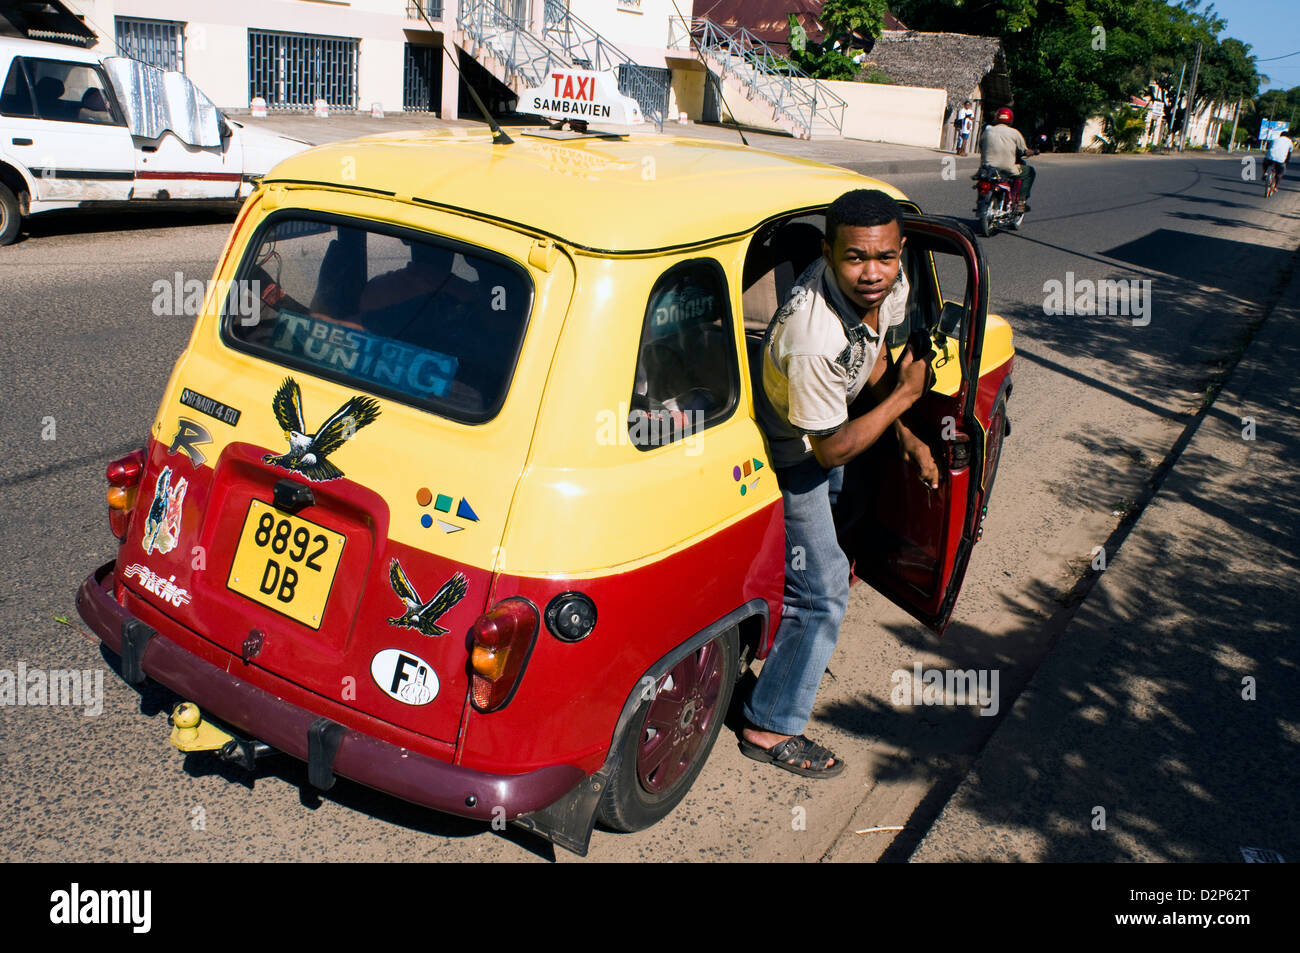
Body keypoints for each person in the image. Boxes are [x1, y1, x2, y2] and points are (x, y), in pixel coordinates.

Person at [743, 189, 938, 777]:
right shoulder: (810, 338)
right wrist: (905, 398)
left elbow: (871, 351)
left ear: (900, 250)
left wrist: (904, 435)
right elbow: (827, 451)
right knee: (824, 590)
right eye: (855, 259)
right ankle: (769, 725)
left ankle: (789, 643)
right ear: (828, 253)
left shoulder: (886, 284)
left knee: (822, 552)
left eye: (883, 257)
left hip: (833, 423)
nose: (871, 274)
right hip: (794, 450)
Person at [980, 106, 1036, 211]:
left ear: (997, 118)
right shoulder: (1014, 133)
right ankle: (1020, 203)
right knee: (1030, 172)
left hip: (987, 168)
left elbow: (981, 145)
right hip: (1006, 168)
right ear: (1010, 119)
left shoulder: (988, 131)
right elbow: (1024, 151)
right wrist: (1033, 152)